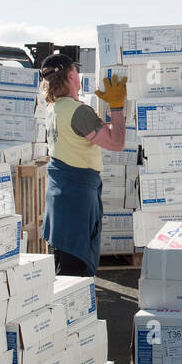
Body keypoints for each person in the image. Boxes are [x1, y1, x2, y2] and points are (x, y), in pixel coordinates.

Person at [39, 53, 129, 277]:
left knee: (61, 265)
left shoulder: (53, 109)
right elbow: (116, 143)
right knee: (74, 270)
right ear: (72, 76)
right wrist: (116, 107)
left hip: (58, 199)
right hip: (76, 201)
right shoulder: (79, 111)